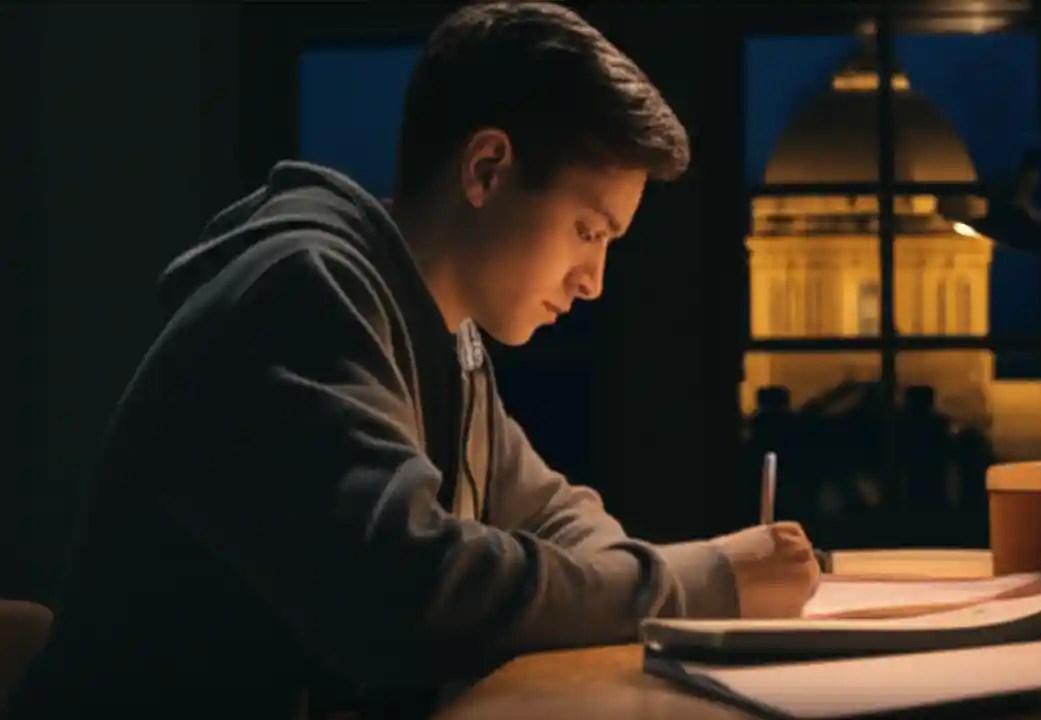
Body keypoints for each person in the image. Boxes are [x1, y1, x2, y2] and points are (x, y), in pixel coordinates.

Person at [9, 3, 819, 718]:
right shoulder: (303, 297)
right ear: (487, 169)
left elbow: (550, 514)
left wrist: (640, 580)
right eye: (587, 230)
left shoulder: (446, 338)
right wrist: (701, 580)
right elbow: (410, 594)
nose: (593, 281)